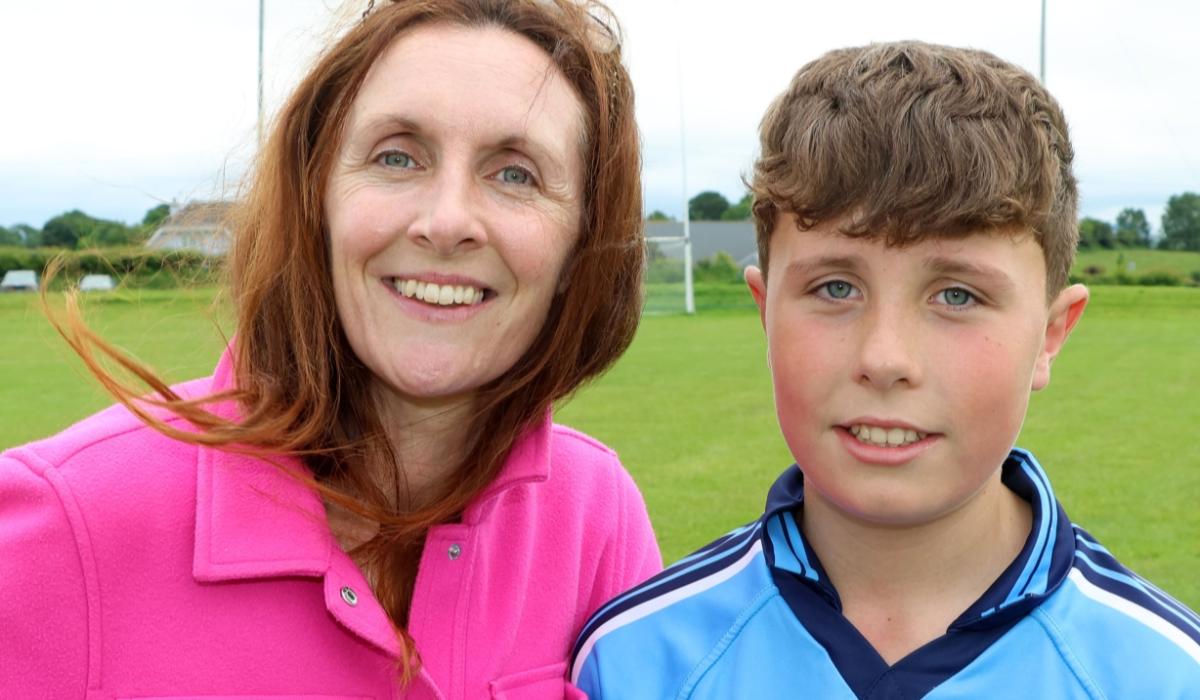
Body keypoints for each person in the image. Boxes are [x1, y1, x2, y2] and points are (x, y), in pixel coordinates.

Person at [0, 1, 662, 697]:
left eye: (515, 173)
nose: (446, 222)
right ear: (316, 196)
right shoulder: (66, 524)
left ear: (579, 248)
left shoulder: (595, 514)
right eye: (397, 156)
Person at [570, 41, 1200, 698]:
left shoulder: (1166, 675)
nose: (885, 359)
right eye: (836, 288)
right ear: (765, 313)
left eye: (957, 295)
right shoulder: (636, 661)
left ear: (1049, 335)